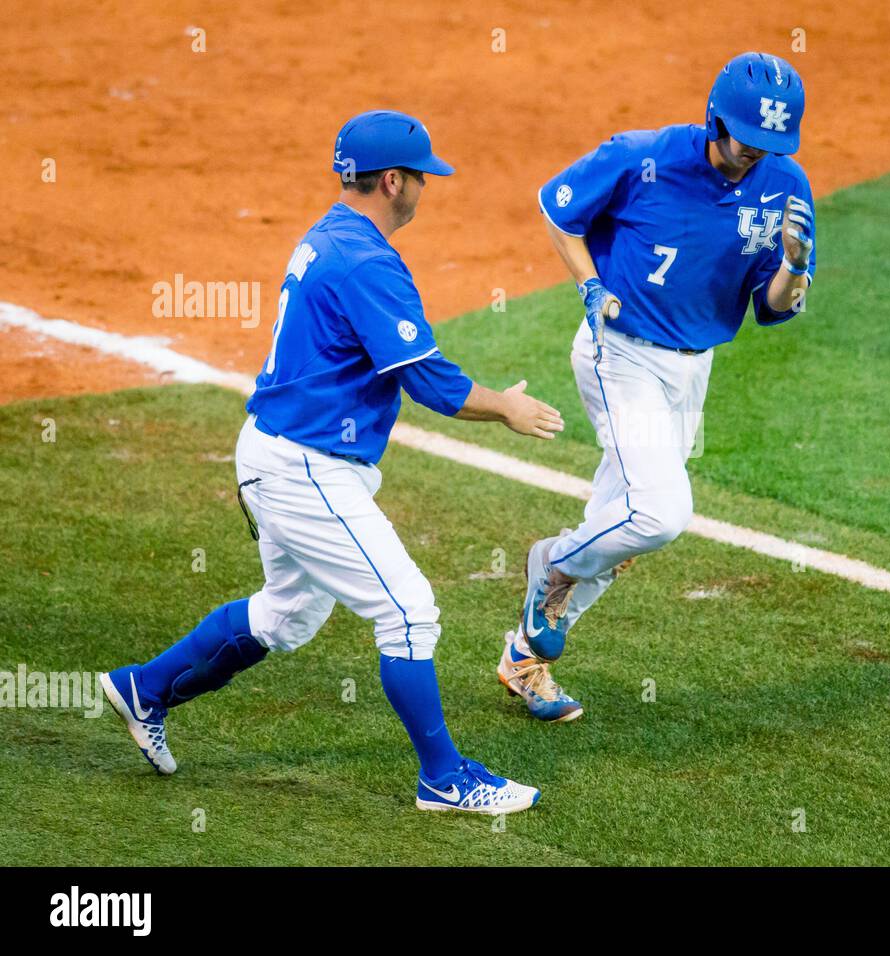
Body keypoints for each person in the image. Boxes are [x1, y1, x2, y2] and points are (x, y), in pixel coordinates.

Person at [100, 109, 563, 814]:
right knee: (409, 612)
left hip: (279, 453)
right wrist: (507, 407)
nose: (425, 190)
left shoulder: (331, 235)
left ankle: (145, 689)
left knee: (285, 617)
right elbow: (427, 379)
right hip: (303, 468)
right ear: (392, 181)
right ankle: (445, 778)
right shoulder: (367, 261)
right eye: (421, 178)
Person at [497, 53, 816, 722]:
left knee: (619, 527)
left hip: (692, 368)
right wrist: (589, 285)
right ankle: (550, 570)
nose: (754, 157)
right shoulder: (642, 157)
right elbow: (557, 207)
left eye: (769, 146)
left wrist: (795, 267)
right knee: (659, 514)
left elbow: (776, 307)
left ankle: (525, 656)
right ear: (714, 121)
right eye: (745, 141)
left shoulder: (785, 185)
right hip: (621, 356)